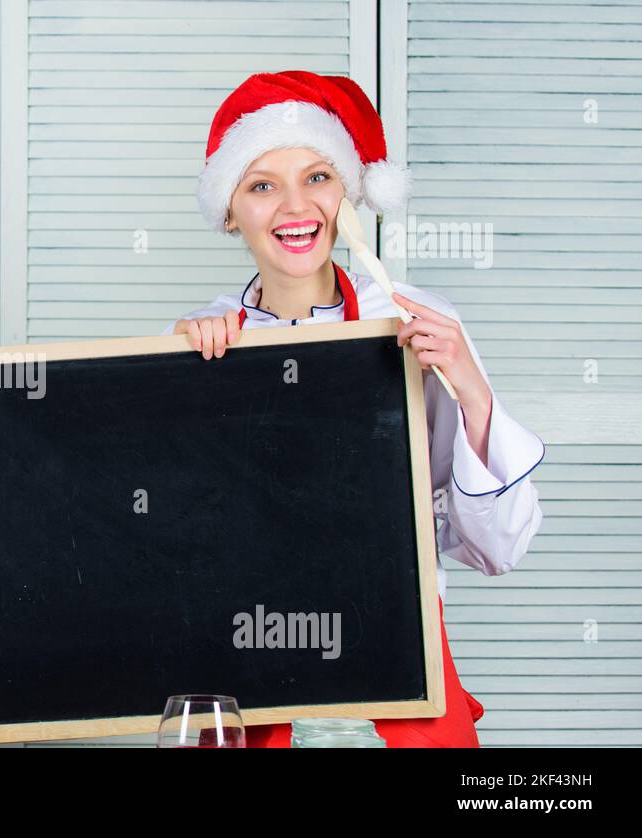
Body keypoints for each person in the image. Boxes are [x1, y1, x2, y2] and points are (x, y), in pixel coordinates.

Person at [165, 71, 545, 747]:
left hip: (400, 661)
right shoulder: (201, 339)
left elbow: (498, 549)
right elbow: (162, 546)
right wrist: (171, 387)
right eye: (261, 185)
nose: (295, 205)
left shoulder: (415, 322)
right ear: (229, 211)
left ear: (346, 194)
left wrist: (470, 389)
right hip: (247, 664)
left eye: (317, 177)